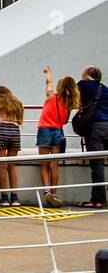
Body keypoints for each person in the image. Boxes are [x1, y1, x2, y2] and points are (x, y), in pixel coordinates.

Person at [37, 68, 78, 208]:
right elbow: (64, 121)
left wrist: (48, 71)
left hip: (44, 131)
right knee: (54, 164)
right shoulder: (69, 104)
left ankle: (46, 192)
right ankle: (54, 193)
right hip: (58, 132)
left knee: (44, 164)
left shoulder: (50, 96)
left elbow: (48, 82)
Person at [0, 87, 24, 206]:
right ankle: (15, 197)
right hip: (14, 131)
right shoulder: (17, 102)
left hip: (0, 130)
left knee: (2, 166)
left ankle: (4, 198)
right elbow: (20, 119)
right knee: (11, 165)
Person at [77, 66, 108, 209]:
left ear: (86, 75)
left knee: (97, 164)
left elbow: (73, 100)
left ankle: (98, 200)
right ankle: (98, 198)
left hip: (95, 128)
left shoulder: (83, 85)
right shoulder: (105, 89)